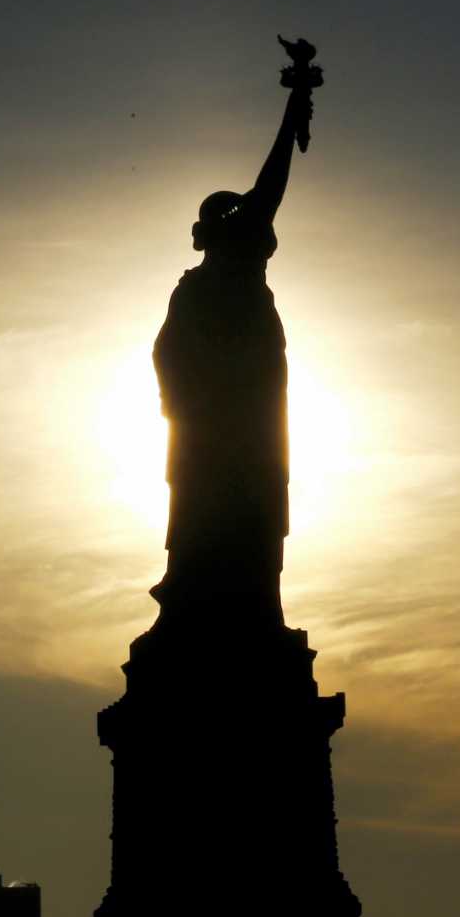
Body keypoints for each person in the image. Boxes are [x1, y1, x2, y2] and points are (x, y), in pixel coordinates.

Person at [149, 84, 314, 637]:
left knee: (255, 509)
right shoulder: (195, 289)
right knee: (206, 507)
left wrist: (293, 112)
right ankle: (195, 597)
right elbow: (165, 351)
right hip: (208, 423)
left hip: (252, 416)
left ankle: (254, 603)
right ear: (214, 232)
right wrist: (184, 401)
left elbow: (269, 187)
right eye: (235, 214)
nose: (250, 219)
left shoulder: (235, 276)